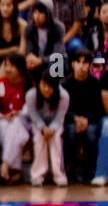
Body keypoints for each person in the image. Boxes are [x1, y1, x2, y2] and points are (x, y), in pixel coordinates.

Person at [62, 48, 104, 184]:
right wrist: (75, 118)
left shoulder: (95, 84)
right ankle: (70, 170)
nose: (81, 66)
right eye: (78, 62)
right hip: (70, 120)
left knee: (91, 132)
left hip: (90, 121)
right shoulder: (65, 84)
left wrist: (86, 120)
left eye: (85, 62)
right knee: (70, 131)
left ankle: (91, 170)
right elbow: (62, 109)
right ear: (72, 64)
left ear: (90, 66)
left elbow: (98, 109)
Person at [25, 67, 68, 186]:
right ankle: (37, 175)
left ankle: (59, 175)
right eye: (43, 85)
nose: (46, 89)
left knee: (56, 139)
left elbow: (60, 116)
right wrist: (42, 128)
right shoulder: (31, 95)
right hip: (38, 124)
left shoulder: (64, 96)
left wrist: (52, 128)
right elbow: (33, 115)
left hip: (56, 123)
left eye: (50, 86)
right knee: (39, 139)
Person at [0, 55, 29, 184]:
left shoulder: (27, 83)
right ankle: (15, 170)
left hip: (23, 120)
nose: (8, 69)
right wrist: (1, 116)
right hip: (2, 120)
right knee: (9, 128)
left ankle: (5, 165)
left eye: (12, 66)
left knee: (17, 124)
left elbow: (30, 106)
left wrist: (18, 112)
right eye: (6, 65)